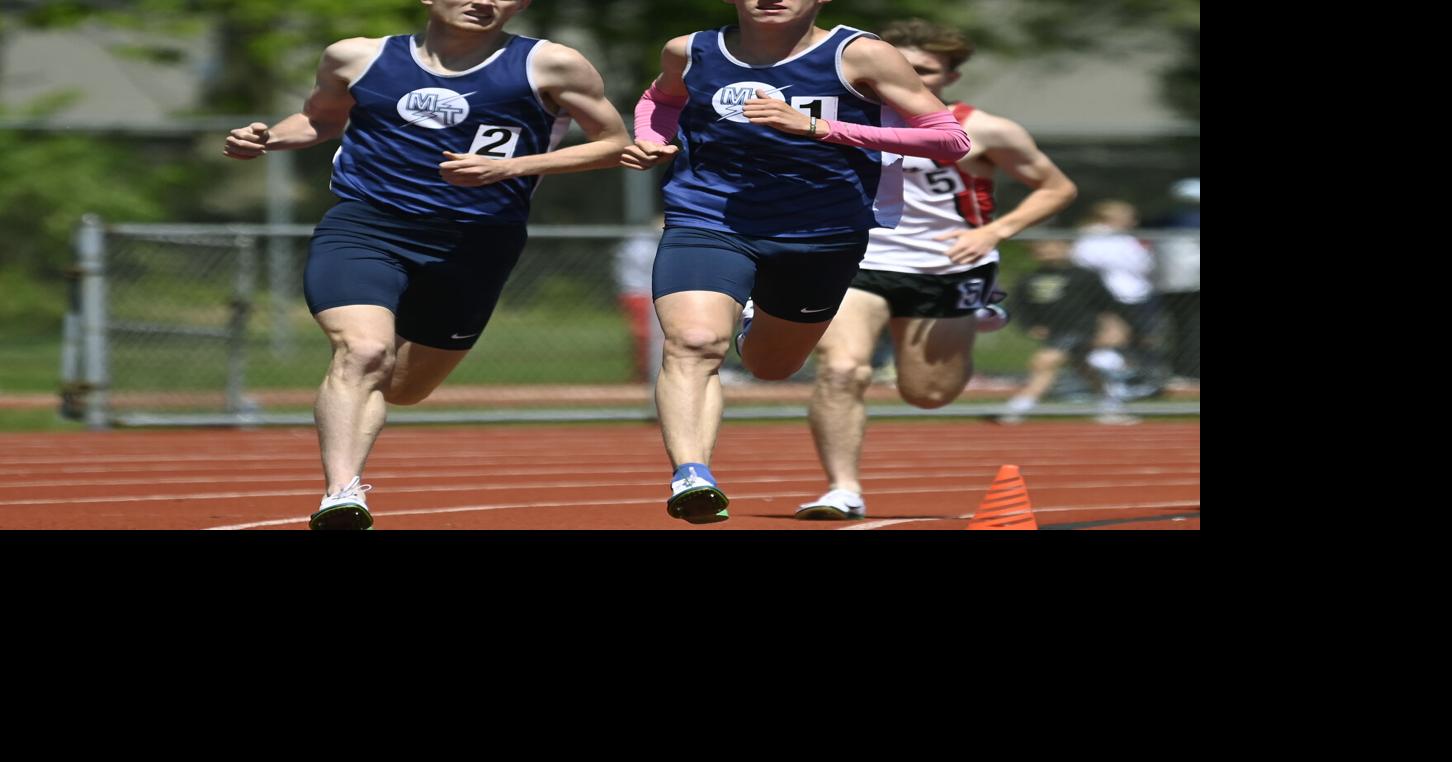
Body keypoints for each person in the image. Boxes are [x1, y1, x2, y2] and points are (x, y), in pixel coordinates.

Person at [223, 0, 630, 529]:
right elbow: (320, 120)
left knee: (405, 387)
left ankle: (354, 452)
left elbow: (614, 142)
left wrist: (511, 167)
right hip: (368, 225)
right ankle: (342, 494)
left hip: (477, 241)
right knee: (364, 351)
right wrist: (266, 138)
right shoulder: (355, 58)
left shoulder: (551, 65)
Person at [621, 0, 972, 524]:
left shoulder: (862, 56)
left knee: (772, 366)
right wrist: (651, 138)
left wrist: (818, 129)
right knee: (693, 343)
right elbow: (659, 99)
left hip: (822, 233)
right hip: (708, 217)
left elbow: (950, 139)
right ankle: (692, 474)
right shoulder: (690, 51)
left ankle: (750, 327)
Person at [797, 19, 1077, 520]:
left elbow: (1057, 188)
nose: (911, 77)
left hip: (944, 264)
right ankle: (842, 488)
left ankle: (978, 310)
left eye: (925, 70)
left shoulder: (983, 128)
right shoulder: (841, 116)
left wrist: (995, 231)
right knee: (842, 369)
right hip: (858, 259)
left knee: (927, 393)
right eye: (901, 66)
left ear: (951, 77)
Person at [1000, 238, 1137, 425]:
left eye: (1051, 246)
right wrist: (1031, 325)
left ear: (1067, 247)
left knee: (1045, 362)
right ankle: (1111, 406)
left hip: (1080, 328)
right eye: (1040, 248)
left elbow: (1106, 303)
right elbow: (1019, 306)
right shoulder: (1030, 278)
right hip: (1056, 330)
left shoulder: (1084, 276)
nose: (1046, 251)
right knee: (1085, 368)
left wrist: (1114, 325)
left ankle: (1018, 407)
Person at [1070, 200, 1165, 392]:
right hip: (1111, 296)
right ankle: (1108, 381)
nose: (1134, 222)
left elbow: (1144, 264)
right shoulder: (1092, 237)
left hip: (1137, 294)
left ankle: (1141, 379)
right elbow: (1087, 263)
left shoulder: (1126, 237)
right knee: (1111, 339)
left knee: (1144, 338)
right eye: (1129, 217)